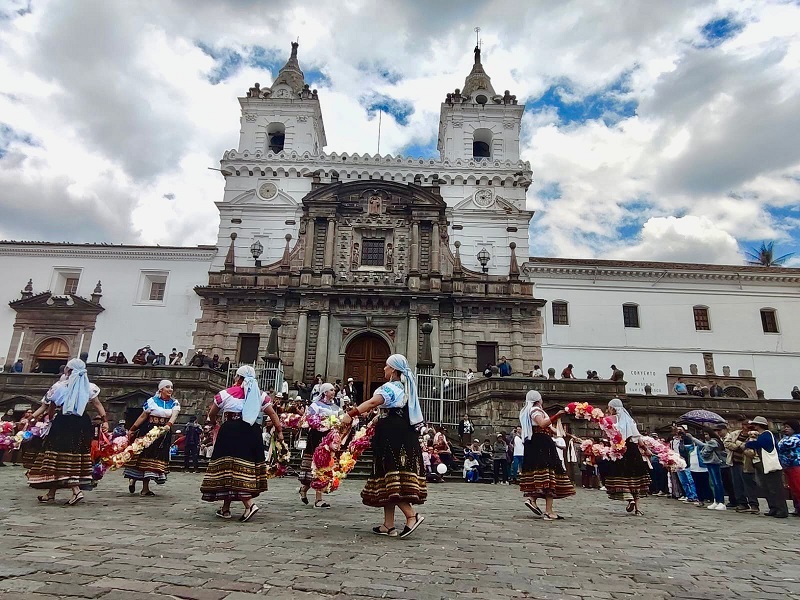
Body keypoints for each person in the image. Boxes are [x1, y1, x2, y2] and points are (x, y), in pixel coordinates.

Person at [341, 354, 427, 539]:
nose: (384, 369)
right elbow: (391, 410)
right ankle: (388, 525)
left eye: (387, 366)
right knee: (390, 477)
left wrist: (351, 413)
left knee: (390, 475)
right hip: (401, 434)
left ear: (394, 370)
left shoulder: (391, 387)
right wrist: (376, 419)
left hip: (392, 437)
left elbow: (373, 402)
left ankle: (411, 515)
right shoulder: (405, 387)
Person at [200, 365, 283, 521]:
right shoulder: (260, 395)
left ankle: (249, 505)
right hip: (252, 432)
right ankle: (225, 508)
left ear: (238, 377)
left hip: (231, 432)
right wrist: (279, 431)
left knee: (229, 467)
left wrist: (214, 423)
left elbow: (212, 414)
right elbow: (272, 414)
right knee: (243, 467)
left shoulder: (225, 394)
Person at [26, 358, 107, 504]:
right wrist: (105, 420)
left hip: (64, 422)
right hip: (82, 422)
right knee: (74, 455)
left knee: (59, 456)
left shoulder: (60, 386)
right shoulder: (89, 387)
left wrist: (46, 418)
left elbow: (50, 406)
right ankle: (51, 493)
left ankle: (76, 490)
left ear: (68, 370)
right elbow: (98, 405)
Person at [518, 390, 574, 520]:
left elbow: (550, 429)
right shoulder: (535, 410)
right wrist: (556, 416)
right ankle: (548, 511)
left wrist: (563, 432)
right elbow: (542, 424)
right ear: (539, 400)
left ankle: (532, 499)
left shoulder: (529, 411)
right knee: (548, 474)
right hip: (542, 444)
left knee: (540, 474)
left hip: (535, 444)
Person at [124, 380, 180, 496]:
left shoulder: (174, 403)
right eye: (167, 387)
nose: (170, 389)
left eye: (171, 387)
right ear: (161, 389)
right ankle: (139, 484)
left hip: (163, 433)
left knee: (153, 457)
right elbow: (143, 416)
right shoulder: (151, 401)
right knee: (144, 456)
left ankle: (140, 484)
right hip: (149, 431)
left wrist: (168, 425)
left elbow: (174, 416)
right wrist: (132, 429)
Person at [298, 383, 343, 509]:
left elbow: (342, 419)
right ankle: (318, 499)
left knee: (325, 466)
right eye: (331, 390)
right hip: (317, 437)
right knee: (318, 465)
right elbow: (309, 418)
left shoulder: (336, 407)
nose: (333, 392)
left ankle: (304, 489)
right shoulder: (315, 405)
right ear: (325, 392)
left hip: (330, 439)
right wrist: (323, 423)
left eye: (334, 390)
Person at [603, 399, 650, 515]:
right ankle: (638, 509)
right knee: (635, 478)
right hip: (633, 450)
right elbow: (638, 438)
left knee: (622, 476)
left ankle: (629, 499)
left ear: (612, 408)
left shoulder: (610, 419)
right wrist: (646, 449)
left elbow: (610, 436)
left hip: (620, 450)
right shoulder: (630, 420)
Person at [745, 416, 787, 518]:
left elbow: (763, 444)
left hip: (771, 466)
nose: (754, 426)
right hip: (766, 465)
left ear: (759, 425)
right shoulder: (763, 435)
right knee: (768, 488)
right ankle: (773, 508)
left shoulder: (766, 434)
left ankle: (781, 510)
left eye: (755, 424)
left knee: (775, 489)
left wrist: (749, 443)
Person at [684, 429, 727, 510]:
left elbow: (705, 450)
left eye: (707, 434)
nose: (705, 436)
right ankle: (716, 501)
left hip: (715, 463)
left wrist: (702, 453)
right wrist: (693, 438)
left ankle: (721, 502)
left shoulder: (713, 441)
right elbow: (704, 445)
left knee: (717, 483)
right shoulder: (710, 442)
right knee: (714, 483)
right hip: (710, 463)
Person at [724, 423, 760, 513]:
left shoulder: (754, 436)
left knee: (749, 484)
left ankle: (754, 504)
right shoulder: (735, 434)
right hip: (734, 462)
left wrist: (741, 445)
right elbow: (726, 443)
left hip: (747, 463)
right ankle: (742, 503)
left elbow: (751, 451)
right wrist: (737, 446)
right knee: (737, 484)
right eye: (746, 426)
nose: (747, 428)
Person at [777, 420, 800, 516]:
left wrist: (781, 442)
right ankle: (798, 508)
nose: (785, 429)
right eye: (785, 427)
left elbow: (783, 445)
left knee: (798, 487)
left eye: (788, 427)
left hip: (796, 465)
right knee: (793, 488)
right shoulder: (786, 438)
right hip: (788, 466)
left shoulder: (797, 437)